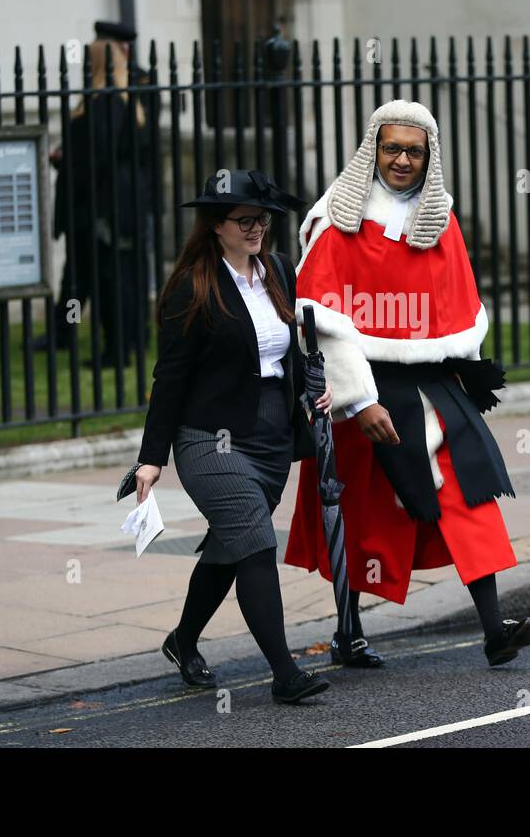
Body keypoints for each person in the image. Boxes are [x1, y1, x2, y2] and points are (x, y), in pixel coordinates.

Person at [285, 99, 530, 668]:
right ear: (373, 148)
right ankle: (348, 634)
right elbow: (318, 317)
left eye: (415, 151)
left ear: (431, 157)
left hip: (432, 386)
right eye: (393, 148)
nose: (403, 160)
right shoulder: (337, 219)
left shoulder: (440, 217)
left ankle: (494, 629)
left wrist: (465, 374)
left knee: (468, 496)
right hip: (366, 390)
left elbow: (460, 300)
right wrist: (360, 399)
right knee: (354, 511)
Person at [132, 169, 332, 704]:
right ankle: (286, 675)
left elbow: (294, 346)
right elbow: (169, 377)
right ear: (216, 225)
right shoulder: (191, 287)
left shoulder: (278, 271)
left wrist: (319, 388)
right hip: (208, 439)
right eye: (245, 220)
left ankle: (183, 640)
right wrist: (151, 458)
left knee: (230, 548)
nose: (257, 229)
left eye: (262, 219)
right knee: (258, 544)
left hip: (270, 436)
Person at [44, 36, 150, 361]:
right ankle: (65, 331)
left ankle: (117, 345)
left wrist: (67, 161)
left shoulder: (105, 102)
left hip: (97, 206)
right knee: (78, 280)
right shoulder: (121, 101)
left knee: (102, 280)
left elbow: (98, 156)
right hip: (105, 204)